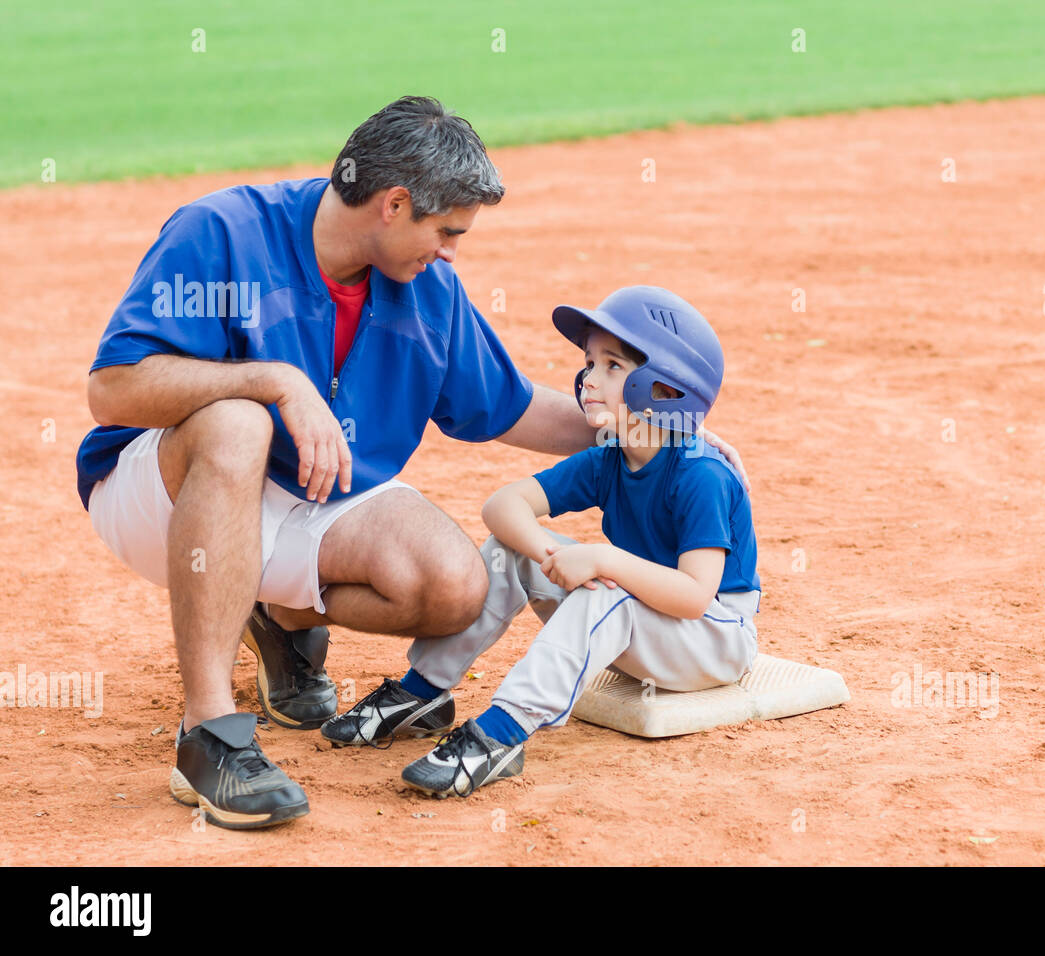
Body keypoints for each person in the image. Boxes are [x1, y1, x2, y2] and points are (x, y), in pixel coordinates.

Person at [75, 96, 750, 828]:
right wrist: (271, 380)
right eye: (448, 230)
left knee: (455, 585)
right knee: (239, 425)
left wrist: (654, 427)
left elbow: (513, 406)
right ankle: (208, 732)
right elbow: (112, 390)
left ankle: (276, 616)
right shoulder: (226, 232)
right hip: (165, 492)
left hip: (303, 503)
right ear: (394, 204)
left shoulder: (427, 291)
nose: (453, 251)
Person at [323, 286, 761, 798]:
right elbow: (502, 506)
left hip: (714, 639)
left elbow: (693, 597)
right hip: (643, 620)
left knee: (607, 594)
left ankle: (502, 735)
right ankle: (424, 692)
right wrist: (547, 555)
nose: (589, 379)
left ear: (664, 391)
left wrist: (603, 559)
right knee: (510, 552)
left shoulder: (700, 475)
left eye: (612, 366)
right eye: (590, 362)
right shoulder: (610, 456)